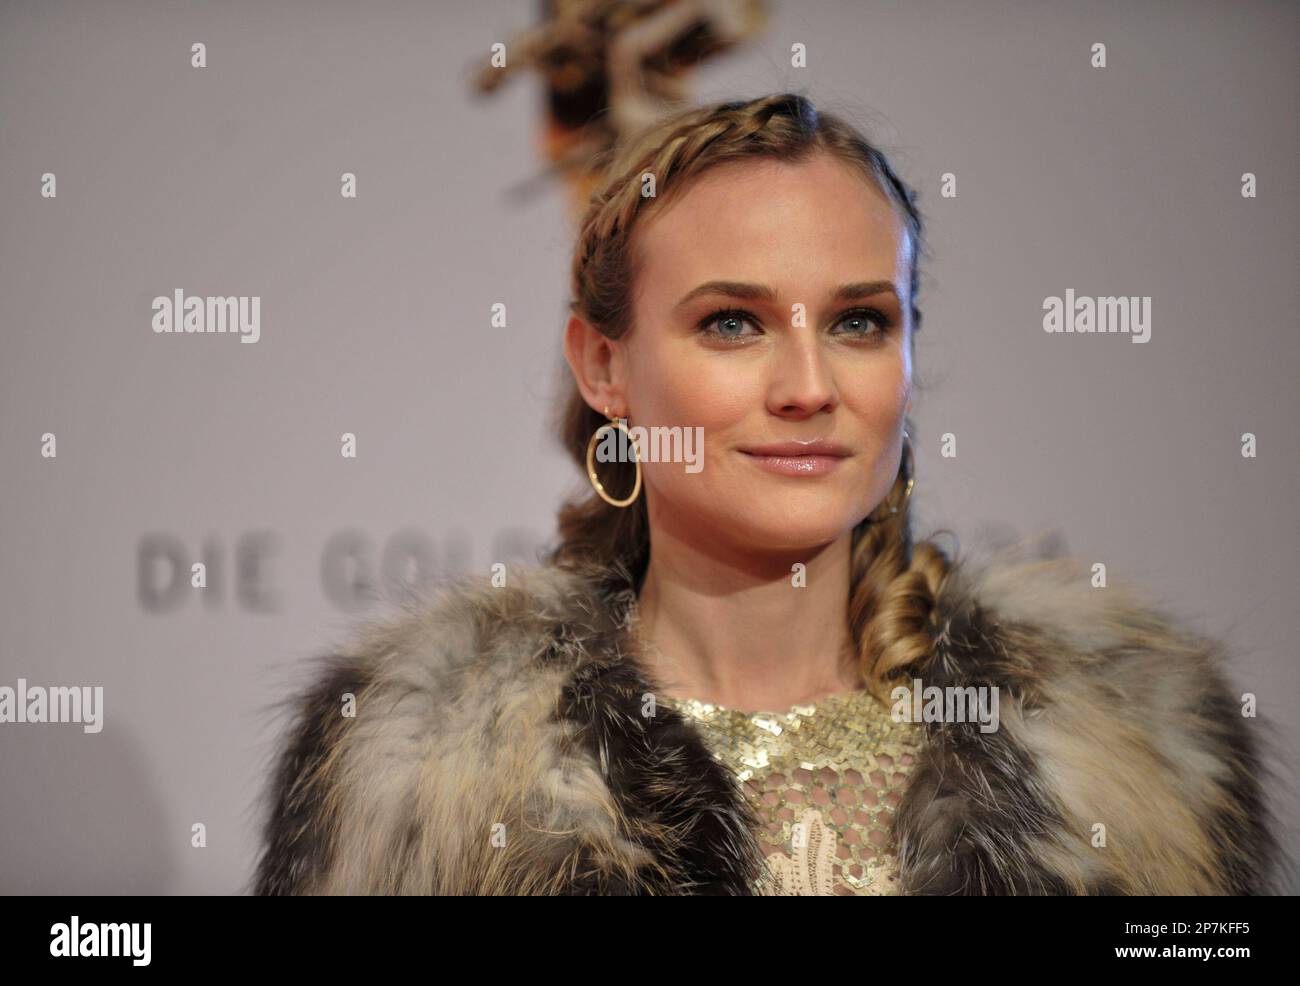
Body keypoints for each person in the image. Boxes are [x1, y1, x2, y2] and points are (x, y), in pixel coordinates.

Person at [251, 93, 1280, 895]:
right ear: (603, 366)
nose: (808, 388)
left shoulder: (1136, 756)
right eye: (732, 323)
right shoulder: (416, 778)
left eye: (859, 322)